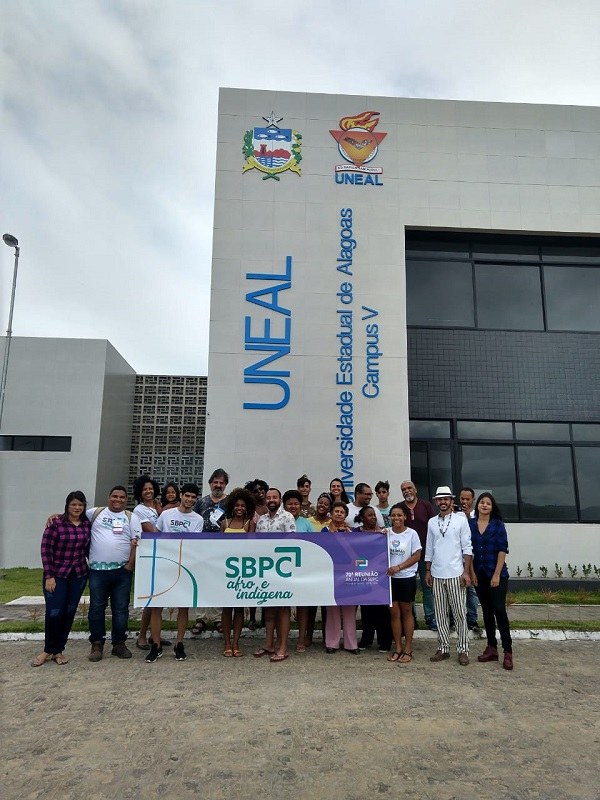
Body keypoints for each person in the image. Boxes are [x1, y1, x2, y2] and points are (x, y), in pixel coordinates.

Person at [32, 491, 92, 667]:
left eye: (80, 505)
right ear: (67, 505)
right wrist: (49, 575)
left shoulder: (87, 524)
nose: (77, 508)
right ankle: (47, 649)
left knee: (69, 612)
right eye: (73, 504)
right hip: (57, 575)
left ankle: (58, 650)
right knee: (54, 612)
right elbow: (46, 550)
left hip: (79, 574)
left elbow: (88, 548)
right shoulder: (56, 523)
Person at [146, 483, 204, 663]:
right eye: (187, 496)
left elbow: (194, 545)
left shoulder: (197, 519)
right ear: (181, 495)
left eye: (194, 497)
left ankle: (179, 643)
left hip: (184, 567)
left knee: (183, 607)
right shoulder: (166, 514)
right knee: (157, 606)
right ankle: (156, 645)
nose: (190, 500)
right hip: (163, 565)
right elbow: (156, 536)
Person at [86, 486, 141, 661]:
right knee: (96, 608)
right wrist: (55, 516)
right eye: (114, 496)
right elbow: (72, 517)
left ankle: (118, 643)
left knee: (121, 609)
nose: (118, 500)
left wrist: (130, 565)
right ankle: (97, 644)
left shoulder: (131, 517)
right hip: (97, 571)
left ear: (126, 500)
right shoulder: (95, 513)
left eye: (122, 497)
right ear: (108, 497)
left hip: (122, 572)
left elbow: (137, 543)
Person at [425, 486, 473, 666]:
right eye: (440, 499)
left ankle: (463, 649)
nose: (443, 502)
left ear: (452, 501)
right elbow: (429, 548)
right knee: (440, 613)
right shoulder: (431, 522)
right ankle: (443, 647)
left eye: (446, 499)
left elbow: (467, 548)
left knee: (460, 613)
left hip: (456, 573)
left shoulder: (461, 521)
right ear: (436, 502)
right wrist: (428, 570)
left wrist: (466, 572)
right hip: (437, 574)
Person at [469, 492, 513, 671]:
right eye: (481, 502)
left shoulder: (498, 525)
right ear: (477, 505)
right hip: (479, 574)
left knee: (499, 610)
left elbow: (502, 550)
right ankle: (491, 647)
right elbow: (467, 550)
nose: (484, 505)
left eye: (488, 503)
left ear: (492, 507)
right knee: (486, 611)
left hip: (497, 574)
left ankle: (508, 651)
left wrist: (496, 574)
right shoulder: (470, 525)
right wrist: (471, 573)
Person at [254, 488, 296, 663]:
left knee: (283, 608)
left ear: (280, 500)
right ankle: (269, 644)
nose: (271, 500)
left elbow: (293, 543)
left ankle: (283, 647)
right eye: (269, 497)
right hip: (266, 570)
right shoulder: (261, 520)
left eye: (275, 497)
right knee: (269, 609)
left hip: (283, 569)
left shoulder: (287, 517)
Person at [219, 487, 256, 657]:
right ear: (232, 507)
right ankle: (227, 642)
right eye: (237, 505)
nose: (239, 508)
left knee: (240, 609)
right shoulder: (224, 523)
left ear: (247, 507)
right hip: (226, 571)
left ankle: (236, 643)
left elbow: (251, 547)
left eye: (242, 506)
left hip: (243, 571)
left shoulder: (250, 524)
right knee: (226, 609)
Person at [385, 504, 422, 664]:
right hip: (389, 579)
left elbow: (417, 555)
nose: (396, 518)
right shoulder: (386, 533)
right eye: (393, 515)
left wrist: (399, 567)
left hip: (406, 577)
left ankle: (408, 648)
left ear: (405, 517)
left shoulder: (412, 534)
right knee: (394, 613)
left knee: (407, 612)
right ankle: (398, 647)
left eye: (399, 515)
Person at [322, 501, 359, 655]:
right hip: (332, 573)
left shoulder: (353, 533)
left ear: (345, 515)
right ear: (331, 513)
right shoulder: (324, 531)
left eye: (341, 512)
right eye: (336, 511)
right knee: (333, 608)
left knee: (350, 609)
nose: (339, 514)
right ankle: (332, 643)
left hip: (349, 574)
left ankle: (351, 644)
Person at [400, 480, 437, 630]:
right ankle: (411, 618)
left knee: (428, 587)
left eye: (409, 488)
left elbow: (433, 527)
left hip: (425, 555)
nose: (407, 491)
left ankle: (430, 618)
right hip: (406, 557)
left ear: (415, 490)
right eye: (404, 489)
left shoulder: (426, 505)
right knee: (409, 589)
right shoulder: (399, 507)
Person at [132, 475, 163, 651]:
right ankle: (142, 636)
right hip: (150, 556)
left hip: (164, 555)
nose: (148, 491)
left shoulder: (158, 506)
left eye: (150, 488)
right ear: (140, 493)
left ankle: (155, 635)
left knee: (160, 599)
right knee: (150, 600)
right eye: (145, 489)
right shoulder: (140, 510)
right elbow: (152, 531)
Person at [355, 506, 392, 654]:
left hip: (381, 575)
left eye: (374, 515)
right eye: (369, 515)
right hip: (364, 574)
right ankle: (367, 639)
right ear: (362, 518)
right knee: (367, 610)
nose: (373, 517)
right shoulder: (357, 533)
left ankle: (385, 641)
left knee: (382, 610)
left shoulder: (384, 532)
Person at [283, 488, 314, 653]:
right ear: (284, 505)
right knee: (284, 606)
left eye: (296, 503)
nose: (293, 506)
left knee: (303, 606)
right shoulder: (280, 521)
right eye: (290, 504)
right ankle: (283, 639)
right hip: (282, 570)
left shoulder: (306, 522)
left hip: (302, 569)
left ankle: (302, 639)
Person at [243, 478, 269, 629]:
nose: (259, 493)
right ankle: (252, 617)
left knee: (267, 585)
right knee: (254, 585)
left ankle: (266, 618)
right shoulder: (249, 510)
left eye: (261, 490)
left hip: (269, 551)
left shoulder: (271, 507)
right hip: (254, 551)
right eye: (255, 491)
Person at [458, 486, 481, 635]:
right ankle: (455, 618)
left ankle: (472, 619)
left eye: (468, 499)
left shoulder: (477, 515)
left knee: (471, 590)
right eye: (462, 499)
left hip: (472, 557)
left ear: (473, 499)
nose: (465, 501)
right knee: (457, 589)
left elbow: (476, 534)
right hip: (456, 557)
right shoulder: (454, 515)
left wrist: (468, 518)